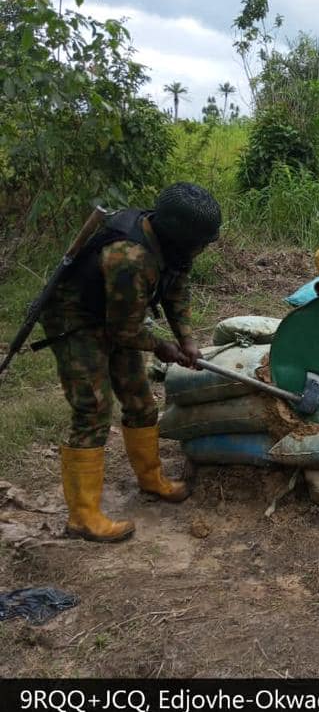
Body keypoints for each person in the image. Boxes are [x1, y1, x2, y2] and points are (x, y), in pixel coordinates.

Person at [41, 182, 221, 543]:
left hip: (117, 317)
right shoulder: (130, 258)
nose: (202, 250)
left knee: (139, 399)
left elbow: (175, 288)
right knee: (92, 408)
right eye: (200, 243)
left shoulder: (170, 248)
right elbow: (124, 332)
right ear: (181, 237)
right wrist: (163, 347)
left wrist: (186, 340)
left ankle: (151, 479)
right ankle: (83, 517)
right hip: (76, 320)